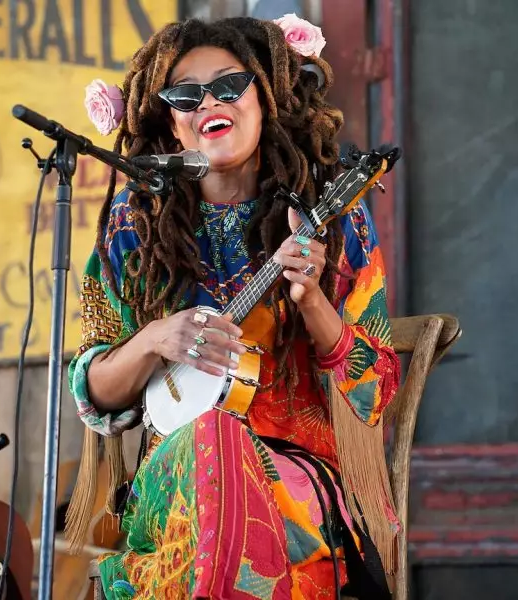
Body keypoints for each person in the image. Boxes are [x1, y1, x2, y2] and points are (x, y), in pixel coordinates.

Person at [64, 14, 402, 600]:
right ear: (170, 126)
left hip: (293, 477)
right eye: (186, 95)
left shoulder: (333, 216)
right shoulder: (132, 226)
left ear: (266, 97)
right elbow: (94, 395)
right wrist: (152, 340)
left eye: (229, 84)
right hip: (172, 479)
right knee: (208, 441)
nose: (208, 103)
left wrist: (314, 299)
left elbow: (376, 388)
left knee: (221, 442)